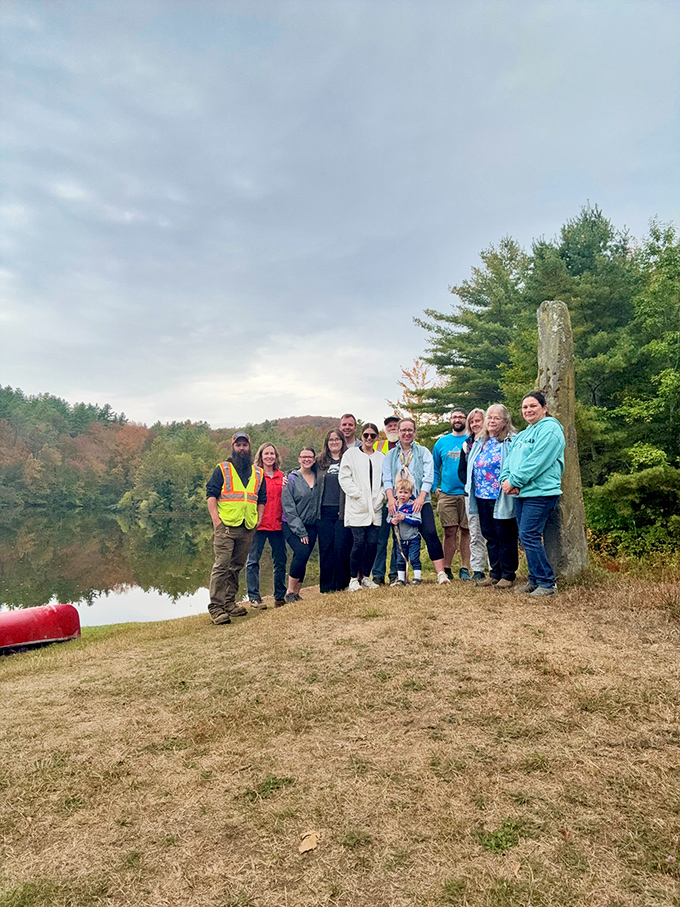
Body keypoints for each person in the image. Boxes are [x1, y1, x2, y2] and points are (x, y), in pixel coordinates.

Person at [500, 391, 565, 597]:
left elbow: (538, 461)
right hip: (522, 492)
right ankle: (535, 579)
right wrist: (506, 480)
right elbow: (510, 461)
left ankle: (547, 583)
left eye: (533, 406)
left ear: (544, 408)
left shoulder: (551, 430)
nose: (528, 410)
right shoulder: (524, 433)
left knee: (529, 535)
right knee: (526, 536)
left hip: (541, 492)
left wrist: (516, 480)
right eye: (525, 407)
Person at [206, 432, 266, 625]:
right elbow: (211, 495)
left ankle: (229, 602)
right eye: (238, 445)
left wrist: (259, 518)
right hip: (226, 526)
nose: (242, 448)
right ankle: (216, 608)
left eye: (245, 445)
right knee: (221, 566)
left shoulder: (258, 472)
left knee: (236, 567)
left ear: (250, 447)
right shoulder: (223, 469)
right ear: (232, 447)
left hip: (246, 527)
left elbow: (262, 498)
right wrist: (217, 521)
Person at [382, 418, 450, 584]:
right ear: (398, 432)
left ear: (414, 432)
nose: (406, 433)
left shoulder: (423, 452)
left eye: (410, 430)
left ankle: (441, 574)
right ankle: (401, 577)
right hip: (398, 502)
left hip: (420, 500)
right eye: (403, 430)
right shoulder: (391, 455)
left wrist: (420, 499)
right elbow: (387, 479)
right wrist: (391, 499)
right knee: (400, 538)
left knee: (430, 533)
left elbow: (428, 476)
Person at [465, 405, 518, 589]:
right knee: (489, 535)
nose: (492, 421)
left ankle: (508, 574)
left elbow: (516, 465)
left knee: (505, 535)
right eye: (489, 417)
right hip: (481, 494)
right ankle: (494, 574)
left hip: (502, 495)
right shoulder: (480, 441)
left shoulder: (511, 441)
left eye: (497, 418)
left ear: (505, 421)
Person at [339, 423, 385, 592]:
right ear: (361, 436)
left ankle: (366, 576)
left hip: (375, 506)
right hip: (357, 506)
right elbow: (344, 477)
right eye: (366, 435)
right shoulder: (351, 454)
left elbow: (384, 480)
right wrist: (357, 494)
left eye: (373, 436)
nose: (369, 438)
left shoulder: (381, 457)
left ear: (376, 438)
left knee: (372, 543)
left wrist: (381, 497)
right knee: (358, 543)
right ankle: (353, 579)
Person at [244, 443, 287, 608]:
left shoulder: (282, 476)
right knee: (253, 560)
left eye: (272, 454)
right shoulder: (254, 476)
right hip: (258, 525)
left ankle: (279, 596)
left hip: (277, 525)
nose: (269, 457)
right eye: (266, 454)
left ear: (276, 457)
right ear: (260, 456)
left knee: (280, 561)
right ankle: (254, 597)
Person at [433, 408, 471, 580]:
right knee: (449, 531)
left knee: (466, 531)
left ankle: (465, 568)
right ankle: (446, 568)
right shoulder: (441, 442)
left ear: (466, 420)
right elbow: (434, 467)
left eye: (461, 417)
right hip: (447, 493)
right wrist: (435, 487)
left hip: (468, 493)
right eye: (454, 417)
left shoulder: (472, 440)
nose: (457, 419)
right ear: (450, 420)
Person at [281, 447, 320, 604]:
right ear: (298, 459)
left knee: (305, 556)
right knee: (301, 552)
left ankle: (297, 593)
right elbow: (288, 508)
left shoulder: (318, 478)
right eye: (303, 457)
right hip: (292, 525)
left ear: (314, 459)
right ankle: (289, 592)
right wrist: (301, 532)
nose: (307, 459)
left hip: (312, 525)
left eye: (310, 457)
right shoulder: (290, 479)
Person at [316, 429, 353, 593]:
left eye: (337, 439)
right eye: (331, 440)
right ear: (327, 442)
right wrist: (289, 476)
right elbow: (303, 471)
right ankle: (326, 587)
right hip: (323, 511)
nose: (334, 442)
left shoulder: (350, 458)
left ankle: (342, 585)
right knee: (326, 549)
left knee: (342, 548)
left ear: (342, 441)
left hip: (343, 511)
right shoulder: (320, 461)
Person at [458, 408, 488, 581]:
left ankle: (496, 567)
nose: (475, 424)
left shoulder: (494, 441)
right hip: (473, 494)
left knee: (492, 531)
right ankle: (477, 568)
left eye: (478, 420)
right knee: (475, 532)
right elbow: (461, 471)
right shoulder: (467, 444)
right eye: (472, 421)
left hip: (493, 494)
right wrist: (471, 485)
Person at [371, 415, 401, 585]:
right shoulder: (377, 445)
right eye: (389, 426)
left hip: (403, 499)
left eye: (395, 425)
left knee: (398, 538)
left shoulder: (410, 445)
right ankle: (377, 574)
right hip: (381, 500)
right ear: (385, 429)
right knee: (380, 540)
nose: (392, 428)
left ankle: (396, 573)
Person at [389, 477, 423, 586]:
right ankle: (401, 579)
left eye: (406, 492)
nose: (403, 495)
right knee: (400, 559)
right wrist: (392, 520)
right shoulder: (394, 506)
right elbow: (388, 518)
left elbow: (418, 521)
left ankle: (417, 578)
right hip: (400, 539)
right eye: (400, 492)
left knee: (414, 558)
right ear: (396, 492)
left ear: (410, 494)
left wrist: (405, 518)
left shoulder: (413, 506)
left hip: (413, 538)